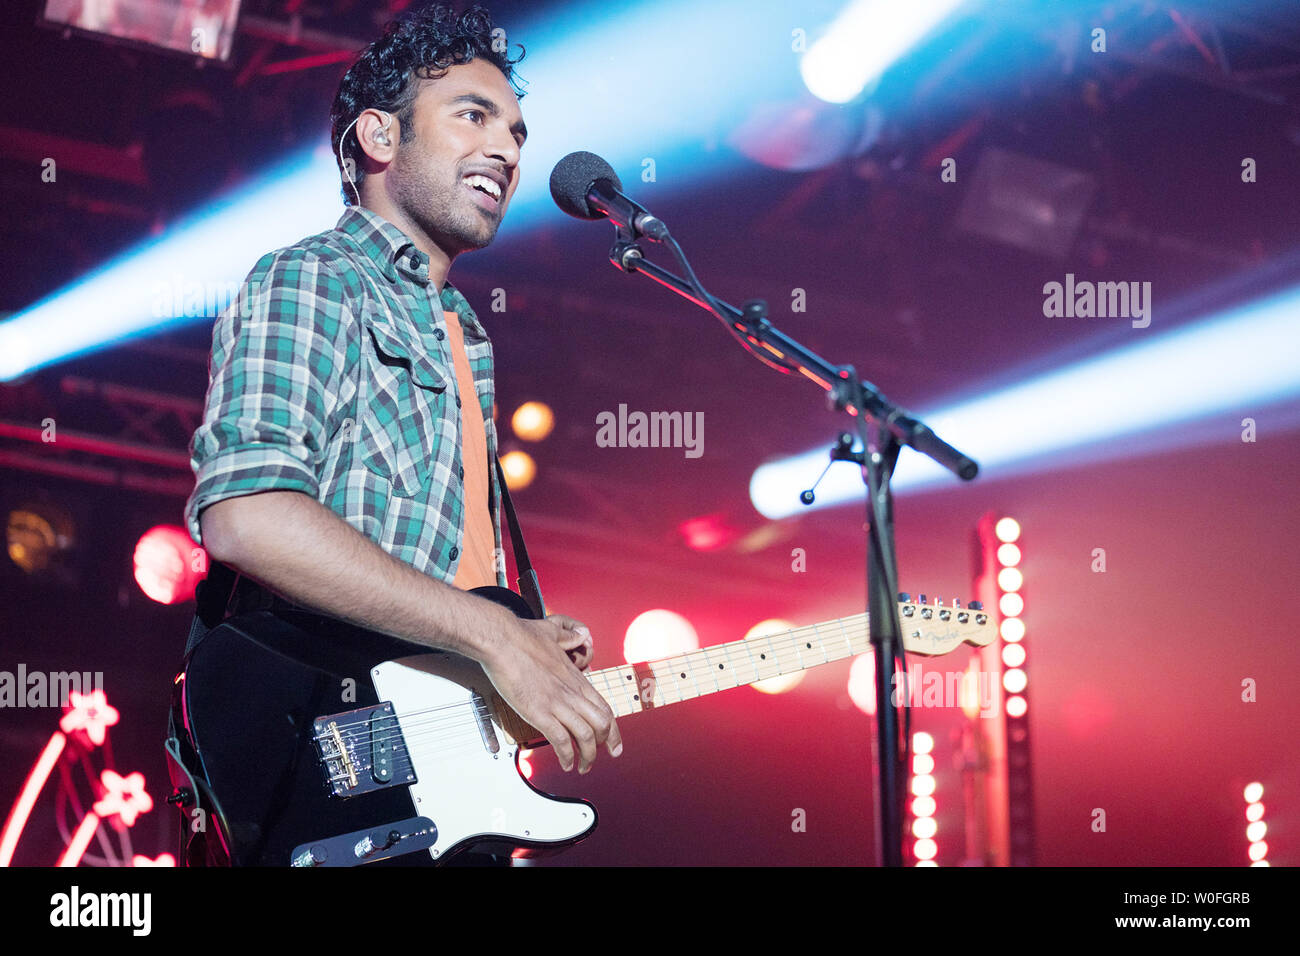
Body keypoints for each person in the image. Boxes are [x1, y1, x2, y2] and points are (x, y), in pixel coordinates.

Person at [182, 3, 621, 814]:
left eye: (517, 133)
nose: (507, 149)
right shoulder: (316, 278)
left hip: (429, 799)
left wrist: (514, 634)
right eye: (474, 116)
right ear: (380, 139)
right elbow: (247, 516)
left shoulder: (466, 335)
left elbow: (440, 590)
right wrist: (492, 635)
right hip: (322, 783)